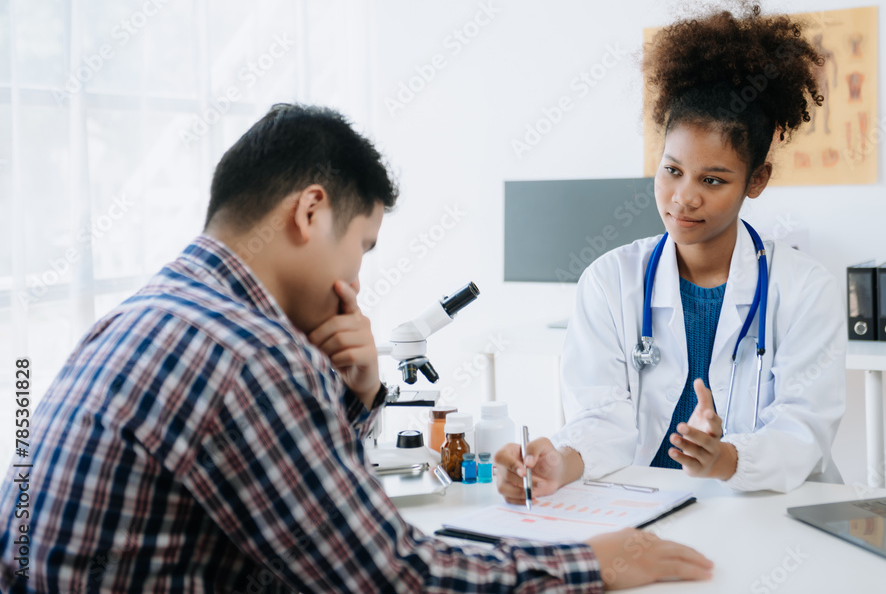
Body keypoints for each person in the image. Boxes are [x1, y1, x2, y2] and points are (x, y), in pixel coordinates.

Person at [0, 104, 713, 592]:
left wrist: (361, 390)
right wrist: (590, 562)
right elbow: (392, 579)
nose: (358, 280)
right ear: (310, 212)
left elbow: (280, 493)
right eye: (362, 247)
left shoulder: (158, 311)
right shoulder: (249, 355)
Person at [496, 0, 847, 502]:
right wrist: (562, 461)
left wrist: (727, 459)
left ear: (757, 180)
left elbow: (804, 428)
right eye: (672, 170)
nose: (684, 196)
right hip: (647, 504)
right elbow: (602, 417)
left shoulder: (805, 288)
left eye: (712, 178)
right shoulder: (610, 281)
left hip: (763, 510)